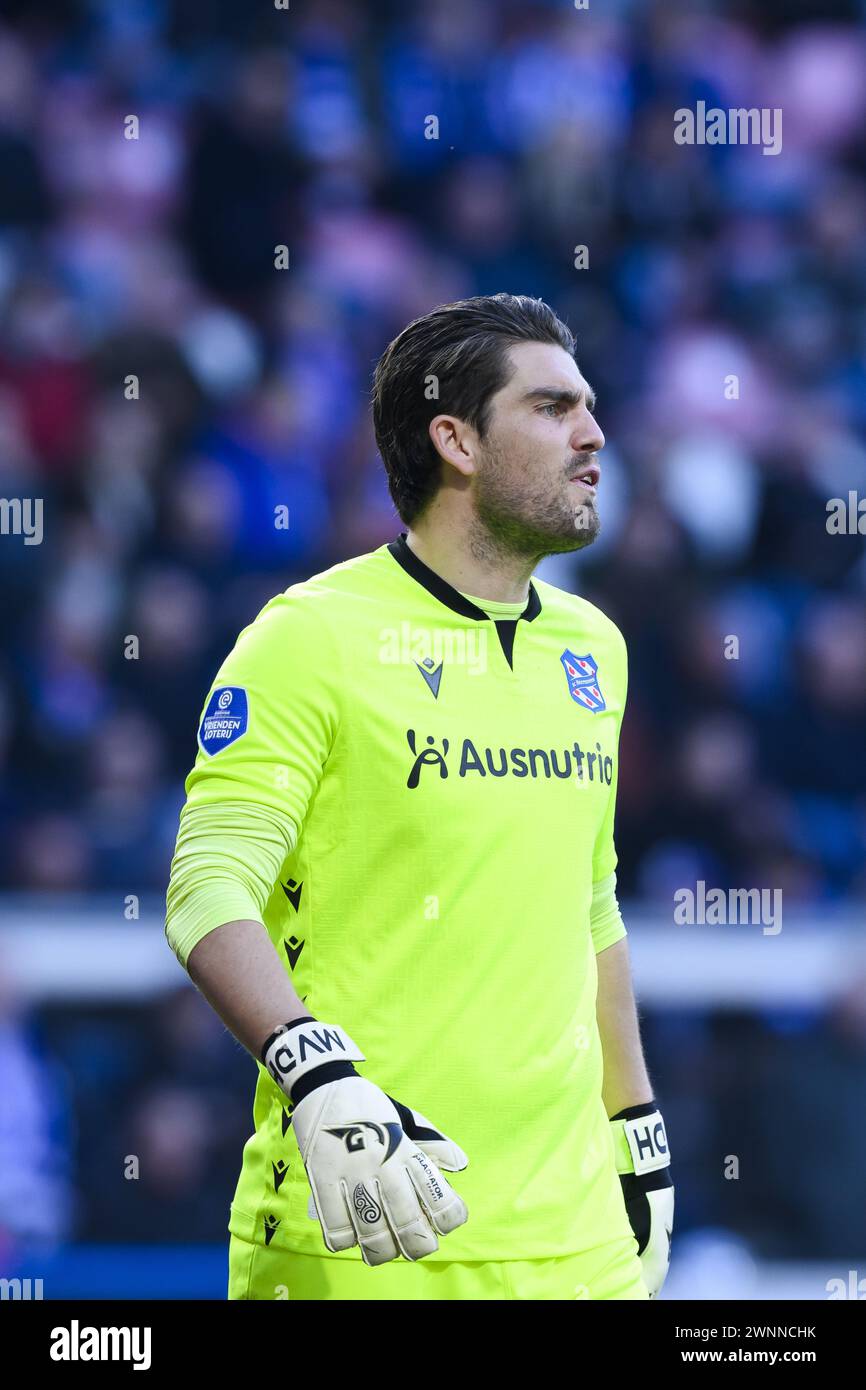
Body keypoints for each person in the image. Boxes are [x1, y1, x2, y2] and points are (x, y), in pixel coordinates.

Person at [164, 293, 673, 1301]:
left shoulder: (592, 648)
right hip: (368, 1229)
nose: (592, 433)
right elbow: (206, 888)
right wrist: (316, 1072)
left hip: (577, 1249)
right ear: (456, 440)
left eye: (589, 405)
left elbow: (590, 907)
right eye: (550, 406)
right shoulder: (309, 638)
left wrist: (637, 1132)